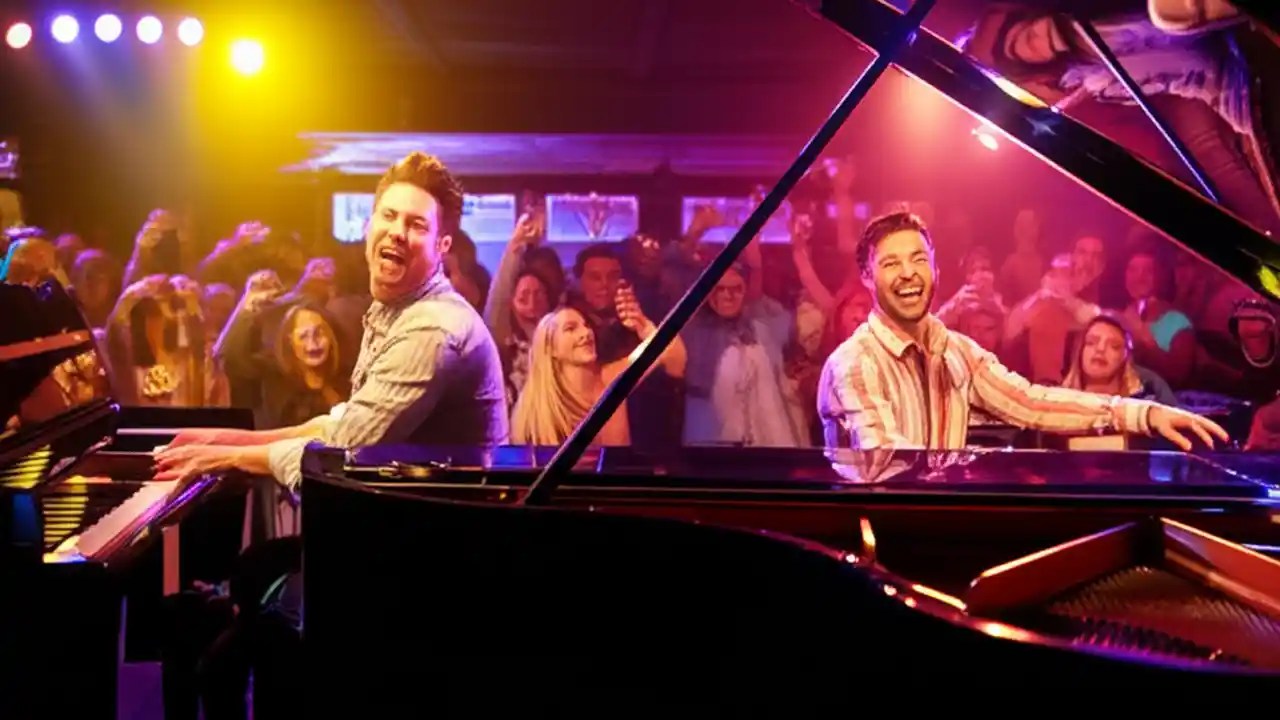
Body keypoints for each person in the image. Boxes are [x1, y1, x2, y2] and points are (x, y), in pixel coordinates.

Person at [153, 151, 507, 720]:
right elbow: (341, 421)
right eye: (388, 217)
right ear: (368, 224)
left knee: (223, 662)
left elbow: (345, 451)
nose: (397, 232)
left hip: (427, 566)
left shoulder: (436, 329)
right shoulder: (397, 309)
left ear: (441, 247)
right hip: (395, 534)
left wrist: (219, 459)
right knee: (250, 574)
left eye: (416, 225)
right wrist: (228, 441)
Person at [817, 212, 1228, 452]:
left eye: (918, 259)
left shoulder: (957, 352)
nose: (908, 273)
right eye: (891, 264)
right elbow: (889, 464)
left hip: (940, 534)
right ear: (868, 279)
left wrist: (1145, 412)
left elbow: (1032, 402)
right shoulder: (854, 363)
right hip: (875, 556)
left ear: (935, 269)